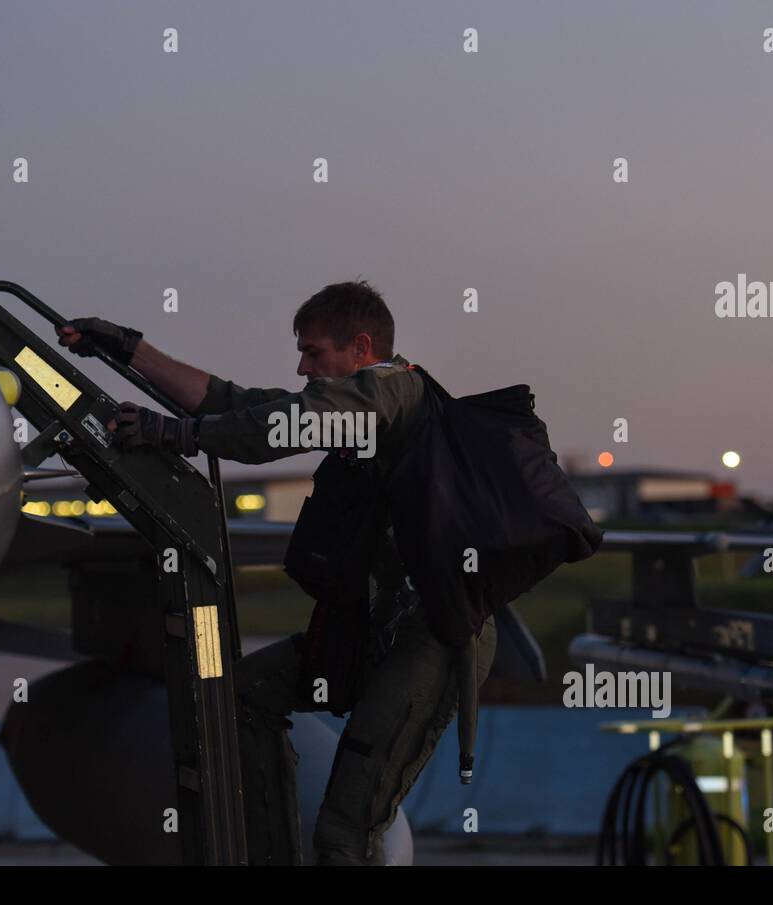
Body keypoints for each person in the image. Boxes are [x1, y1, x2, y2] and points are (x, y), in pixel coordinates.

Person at [56, 280, 496, 865]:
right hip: (375, 629)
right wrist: (130, 350)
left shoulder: (394, 391)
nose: (301, 366)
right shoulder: (365, 407)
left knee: (346, 834)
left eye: (313, 353)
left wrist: (177, 436)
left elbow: (278, 427)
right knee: (240, 700)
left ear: (361, 348)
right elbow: (236, 403)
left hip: (430, 639)